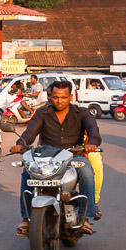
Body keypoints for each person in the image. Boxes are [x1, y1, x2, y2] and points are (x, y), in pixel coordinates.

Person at [10, 80, 101, 236]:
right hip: (47, 156)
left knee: (86, 171)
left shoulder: (82, 113)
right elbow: (30, 133)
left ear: (70, 96)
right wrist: (21, 144)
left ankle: (86, 217)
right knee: (27, 172)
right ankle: (26, 218)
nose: (59, 101)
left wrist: (91, 144)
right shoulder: (42, 113)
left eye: (63, 97)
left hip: (73, 155)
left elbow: (94, 132)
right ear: (50, 97)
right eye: (56, 97)